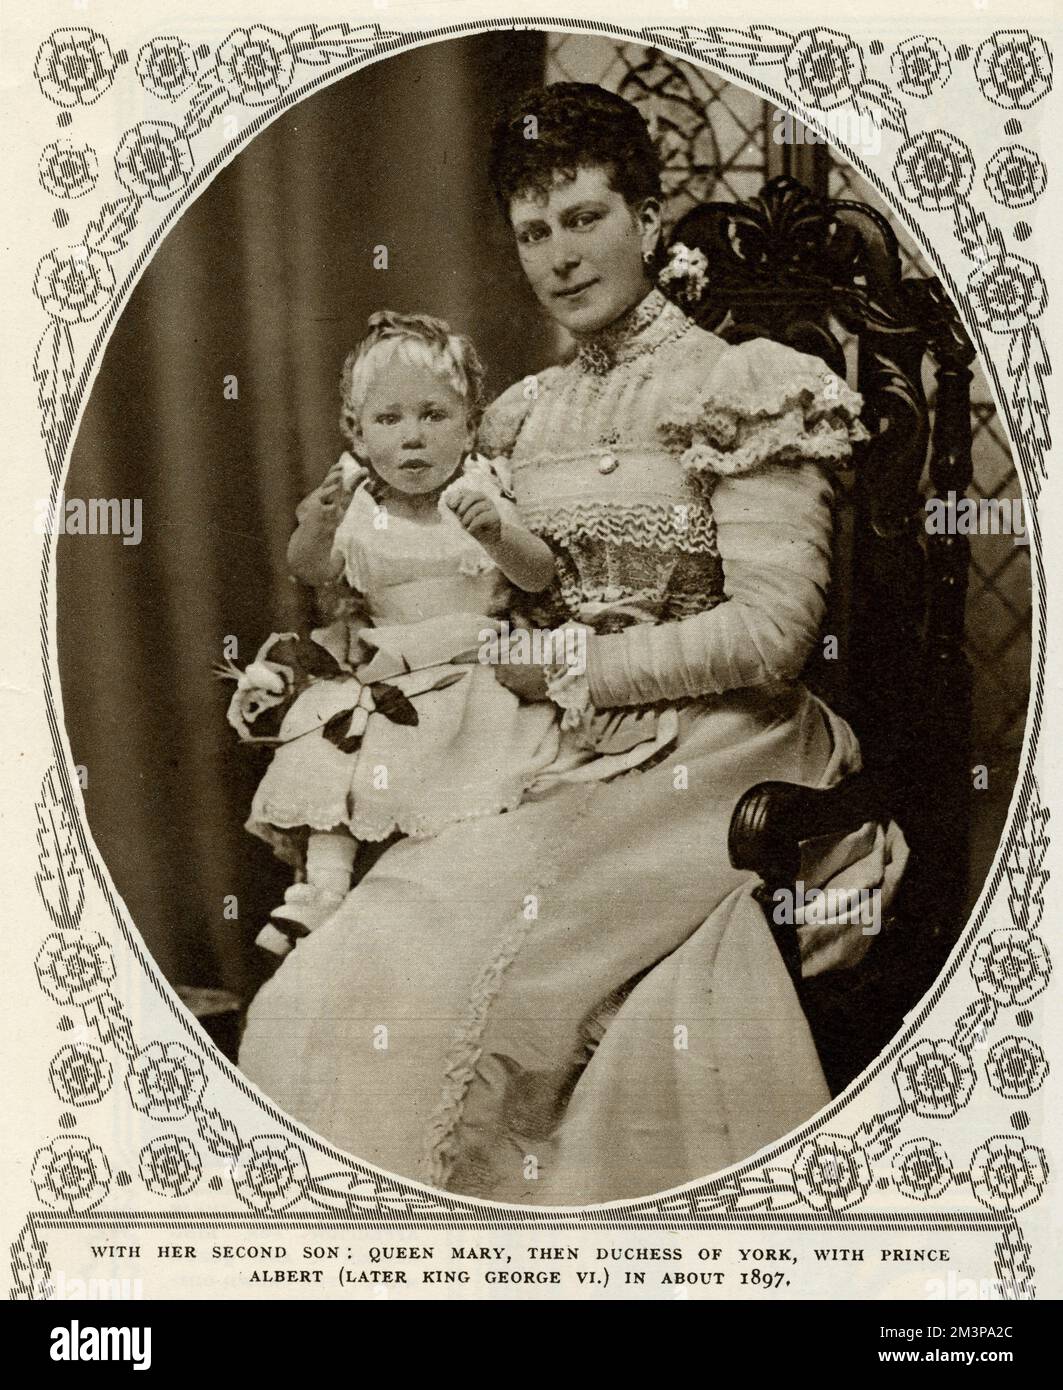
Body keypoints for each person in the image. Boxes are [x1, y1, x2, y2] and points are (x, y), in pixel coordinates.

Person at [238, 83, 908, 1205]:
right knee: (348, 971)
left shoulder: (739, 387)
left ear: (648, 221)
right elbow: (468, 600)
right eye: (533, 232)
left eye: (584, 218)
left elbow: (773, 633)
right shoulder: (511, 419)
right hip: (547, 746)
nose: (558, 254)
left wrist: (574, 665)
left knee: (483, 997)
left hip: (726, 747)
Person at [232, 311, 560, 954]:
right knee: (335, 747)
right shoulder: (359, 509)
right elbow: (312, 569)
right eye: (389, 420)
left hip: (472, 673)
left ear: (469, 425)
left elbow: (538, 576)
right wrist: (316, 526)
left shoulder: (482, 490)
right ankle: (322, 891)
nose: (413, 439)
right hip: (387, 674)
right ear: (357, 433)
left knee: (465, 783)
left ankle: (457, 901)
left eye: (434, 416)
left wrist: (497, 533)